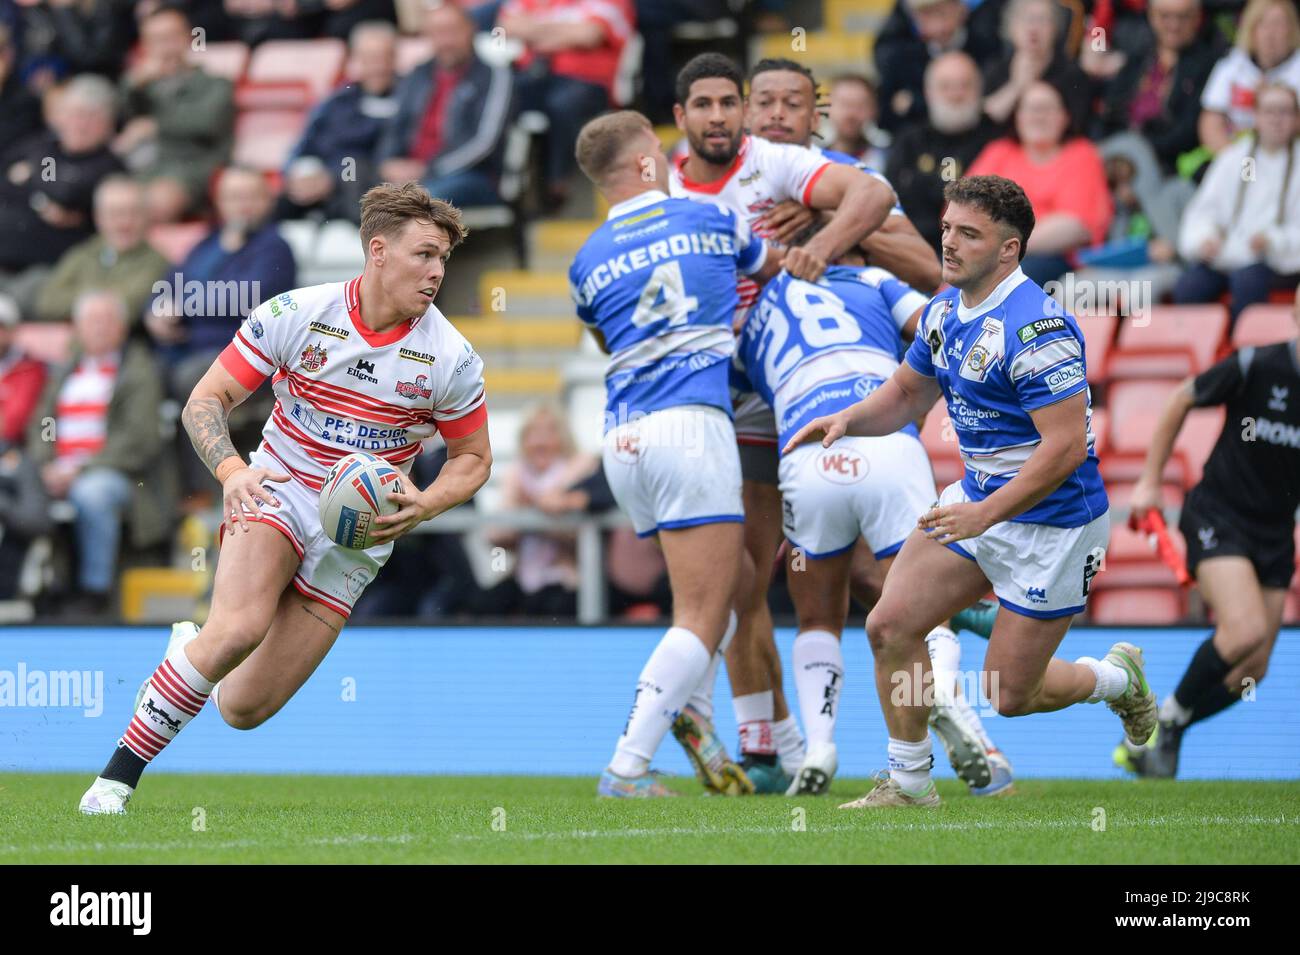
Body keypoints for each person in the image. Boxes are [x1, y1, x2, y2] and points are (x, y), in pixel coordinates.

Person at [77, 183, 492, 814]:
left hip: (358, 538)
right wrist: (232, 472)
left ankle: (187, 657)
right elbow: (204, 401)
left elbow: (473, 459)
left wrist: (429, 503)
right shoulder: (296, 313)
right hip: (277, 490)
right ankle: (113, 781)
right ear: (377, 251)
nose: (436, 271)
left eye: (443, 259)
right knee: (238, 629)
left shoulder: (450, 358)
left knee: (243, 708)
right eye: (424, 255)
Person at [784, 175, 1153, 809]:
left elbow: (1063, 451)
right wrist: (849, 419)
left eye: (968, 235)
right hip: (977, 503)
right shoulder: (943, 310)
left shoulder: (1038, 329)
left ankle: (1117, 678)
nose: (948, 244)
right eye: (948, 228)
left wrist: (985, 514)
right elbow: (906, 395)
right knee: (890, 626)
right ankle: (908, 783)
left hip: (1053, 526)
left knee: (1011, 696)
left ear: (1009, 250)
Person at [667, 52, 898, 791]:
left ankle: (952, 690)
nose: (731, 117)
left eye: (735, 103)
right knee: (738, 573)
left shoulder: (782, 166)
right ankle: (771, 743)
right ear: (682, 117)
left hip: (803, 387)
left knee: (846, 569)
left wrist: (820, 243)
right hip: (715, 387)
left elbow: (883, 199)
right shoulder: (666, 188)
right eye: (712, 104)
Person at [735, 228, 1013, 797]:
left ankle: (819, 747)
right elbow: (941, 326)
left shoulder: (756, 314)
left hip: (808, 449)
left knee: (815, 617)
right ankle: (962, 717)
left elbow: (738, 403)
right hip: (885, 439)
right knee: (923, 605)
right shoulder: (875, 279)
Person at [569, 109, 783, 797]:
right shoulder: (711, 218)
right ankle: (627, 764)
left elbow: (606, 338)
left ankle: (694, 713)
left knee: (720, 585)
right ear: (643, 163)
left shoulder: (585, 259)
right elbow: (770, 271)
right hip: (692, 423)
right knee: (705, 611)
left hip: (623, 438)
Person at [1118, 285, 1300, 778]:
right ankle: (1161, 721)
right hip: (1220, 515)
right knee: (1244, 631)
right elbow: (1181, 398)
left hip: (1277, 533)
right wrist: (1151, 480)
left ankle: (1169, 722)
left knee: (1253, 668)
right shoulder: (1255, 365)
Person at [27, 290, 168, 616]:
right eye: (92, 321)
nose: (100, 328)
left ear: (122, 328)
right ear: (77, 328)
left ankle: (95, 589)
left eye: (108, 321)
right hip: (57, 470)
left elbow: (138, 439)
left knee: (92, 493)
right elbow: (42, 424)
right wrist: (47, 464)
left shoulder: (139, 370)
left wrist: (79, 469)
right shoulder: (66, 370)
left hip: (121, 477)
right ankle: (32, 586)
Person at [1174, 81, 1300, 322]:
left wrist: (1273, 240)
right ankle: (1201, 352)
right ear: (1256, 117)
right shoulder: (1236, 158)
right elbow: (1206, 210)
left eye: (1284, 112)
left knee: (1247, 280)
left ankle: (1245, 353)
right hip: (1230, 252)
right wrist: (1205, 238)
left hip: (1279, 261)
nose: (1276, 119)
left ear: (1296, 118)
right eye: (1269, 111)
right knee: (1190, 285)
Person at [967, 79, 1112, 285]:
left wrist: (996, 243)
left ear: (1065, 117)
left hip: (1054, 259)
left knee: (1012, 278)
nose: (1038, 117)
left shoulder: (1081, 154)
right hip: (989, 257)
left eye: (1047, 109)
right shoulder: (999, 152)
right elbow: (961, 208)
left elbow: (1075, 227)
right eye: (1031, 109)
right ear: (1017, 117)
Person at [0, 74, 123, 315]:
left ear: (108, 123)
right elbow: (4, 183)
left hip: (49, 272)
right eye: (74, 115)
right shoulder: (39, 146)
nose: (80, 124)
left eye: (91, 117)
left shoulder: (108, 166)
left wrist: (30, 179)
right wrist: (42, 198)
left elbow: (69, 194)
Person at [375, 2, 513, 210]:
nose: (446, 41)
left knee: (418, 201)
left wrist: (427, 170)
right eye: (438, 33)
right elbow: (393, 126)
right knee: (354, 187)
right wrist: (389, 162)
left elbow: (484, 142)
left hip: (470, 175)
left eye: (453, 31)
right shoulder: (417, 75)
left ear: (471, 30)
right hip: (413, 175)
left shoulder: (494, 76)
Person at [498, 0, 634, 208]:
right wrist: (565, 34)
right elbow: (504, 26)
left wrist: (535, 32)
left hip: (589, 81)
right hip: (537, 76)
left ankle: (558, 183)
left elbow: (588, 35)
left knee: (562, 104)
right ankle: (498, 182)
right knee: (501, 97)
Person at [114, 3, 235, 223]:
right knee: (111, 199)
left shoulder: (215, 84)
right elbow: (127, 114)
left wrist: (155, 126)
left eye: (171, 36)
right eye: (157, 40)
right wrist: (133, 85)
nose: (166, 47)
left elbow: (207, 123)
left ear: (188, 37)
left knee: (154, 203)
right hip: (147, 169)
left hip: (193, 169)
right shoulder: (145, 86)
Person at [278, 20, 401, 223]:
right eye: (370, 58)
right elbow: (303, 147)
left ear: (395, 58)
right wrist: (303, 172)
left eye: (384, 57)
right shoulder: (336, 102)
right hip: (325, 181)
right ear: (356, 60)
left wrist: (333, 176)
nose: (378, 66)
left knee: (354, 176)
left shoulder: (410, 98)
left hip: (367, 184)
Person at [485, 402, 596, 618]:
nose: (539, 441)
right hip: (523, 577)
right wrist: (537, 513)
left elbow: (578, 532)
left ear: (563, 437)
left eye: (548, 432)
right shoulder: (516, 472)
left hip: (567, 578)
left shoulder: (582, 466)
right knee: (484, 603)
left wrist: (530, 511)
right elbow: (495, 534)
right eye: (532, 433)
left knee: (555, 607)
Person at [887, 52, 1001, 257]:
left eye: (965, 85)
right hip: (909, 250)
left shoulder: (998, 138)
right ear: (928, 92)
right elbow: (891, 201)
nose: (955, 94)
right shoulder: (909, 140)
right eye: (945, 86)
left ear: (979, 90)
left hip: (977, 254)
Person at [1093, 0, 1218, 175]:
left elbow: (1187, 132)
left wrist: (1134, 153)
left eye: (1183, 17)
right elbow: (1108, 109)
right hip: (1115, 154)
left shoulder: (1208, 66)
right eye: (1165, 16)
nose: (1174, 25)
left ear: (1197, 18)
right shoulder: (1137, 58)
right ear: (1151, 16)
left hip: (1165, 166)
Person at [34, 176, 169, 325]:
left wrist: (82, 296)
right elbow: (48, 302)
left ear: (146, 217)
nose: (124, 222)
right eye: (115, 213)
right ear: (99, 217)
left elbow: (127, 307)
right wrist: (100, 297)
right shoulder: (84, 253)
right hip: (78, 346)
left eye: (133, 213)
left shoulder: (158, 262)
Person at [873, 0, 1005, 133]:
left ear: (961, 10)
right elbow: (887, 115)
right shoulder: (903, 60)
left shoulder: (989, 50)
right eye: (926, 15)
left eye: (942, 13)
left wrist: (913, 102)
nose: (937, 25)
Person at [1198, 0, 1300, 154]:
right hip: (1238, 154)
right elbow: (1210, 123)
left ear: (1292, 30)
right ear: (1250, 29)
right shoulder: (1232, 65)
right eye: (1262, 24)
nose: (1270, 34)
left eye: (1278, 24)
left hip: (1289, 156)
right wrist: (1236, 159)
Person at [981, 0, 1093, 135]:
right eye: (1026, 19)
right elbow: (985, 122)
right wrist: (1017, 86)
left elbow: (1077, 126)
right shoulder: (995, 70)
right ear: (1011, 28)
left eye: (1042, 20)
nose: (1033, 28)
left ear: (1055, 28)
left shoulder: (1073, 75)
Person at [0, 294, 46, 446]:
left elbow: (14, 422)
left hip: (14, 448)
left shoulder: (30, 368)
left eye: (1, 327)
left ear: (13, 330)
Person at [825, 73, 888, 170]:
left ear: (874, 110)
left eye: (859, 106)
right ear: (827, 107)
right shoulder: (812, 160)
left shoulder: (887, 160)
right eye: (844, 104)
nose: (851, 114)